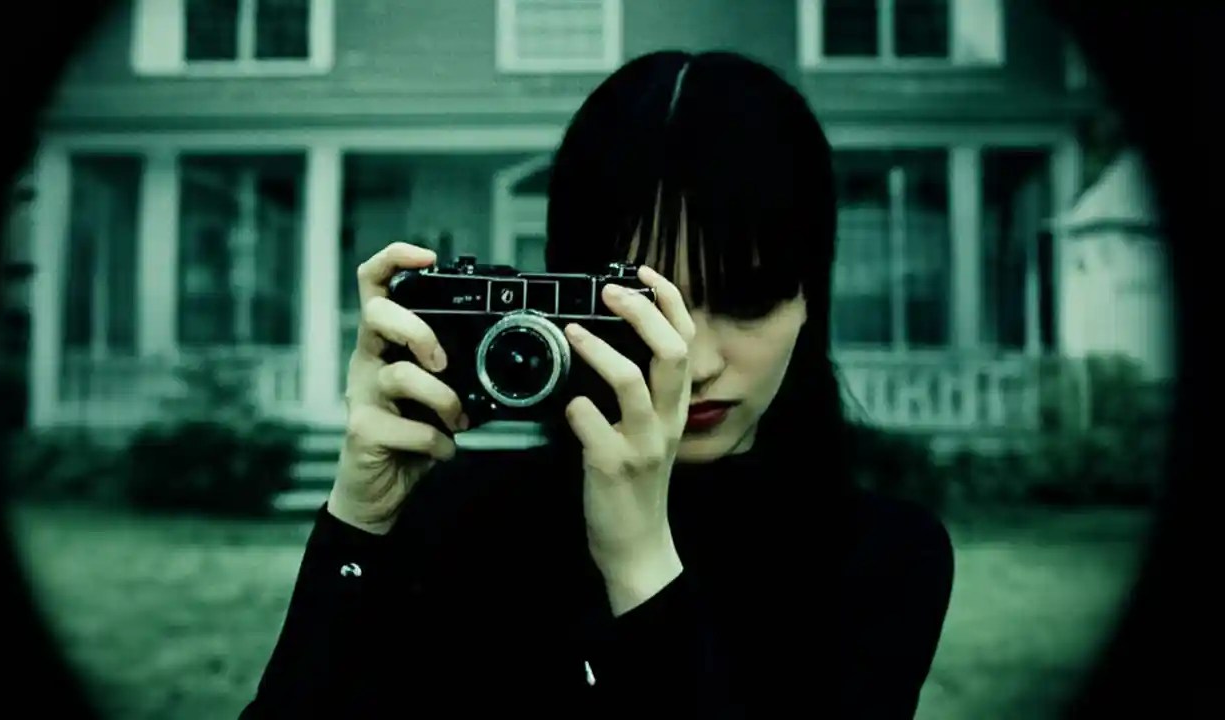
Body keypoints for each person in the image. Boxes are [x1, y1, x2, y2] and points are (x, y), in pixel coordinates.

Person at [241, 50, 954, 718]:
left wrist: (640, 560)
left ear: (811, 302)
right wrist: (358, 525)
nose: (695, 360)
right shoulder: (456, 516)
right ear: (561, 295)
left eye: (746, 300)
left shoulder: (882, 561)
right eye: (643, 306)